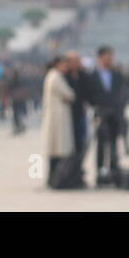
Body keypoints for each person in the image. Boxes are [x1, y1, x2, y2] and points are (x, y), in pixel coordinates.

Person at [88, 46, 128, 184]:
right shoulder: (92, 76)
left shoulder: (117, 75)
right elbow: (89, 95)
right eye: (107, 56)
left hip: (115, 114)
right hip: (100, 114)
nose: (109, 59)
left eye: (111, 56)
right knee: (100, 146)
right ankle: (100, 175)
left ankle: (114, 174)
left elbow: (122, 93)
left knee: (114, 145)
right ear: (99, 58)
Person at [41, 57, 80, 189]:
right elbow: (70, 94)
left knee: (56, 150)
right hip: (57, 118)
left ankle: (55, 179)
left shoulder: (53, 76)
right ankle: (56, 179)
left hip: (57, 116)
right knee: (58, 150)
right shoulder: (55, 77)